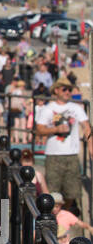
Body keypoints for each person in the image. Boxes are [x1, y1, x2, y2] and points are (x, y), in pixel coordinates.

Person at [35, 76, 92, 211]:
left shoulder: (76, 108)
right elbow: (39, 129)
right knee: (53, 190)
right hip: (54, 154)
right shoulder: (48, 109)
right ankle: (54, 217)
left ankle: (64, 213)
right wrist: (56, 129)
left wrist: (90, 146)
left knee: (72, 192)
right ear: (56, 91)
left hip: (72, 154)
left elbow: (87, 126)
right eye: (64, 89)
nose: (68, 92)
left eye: (70, 89)